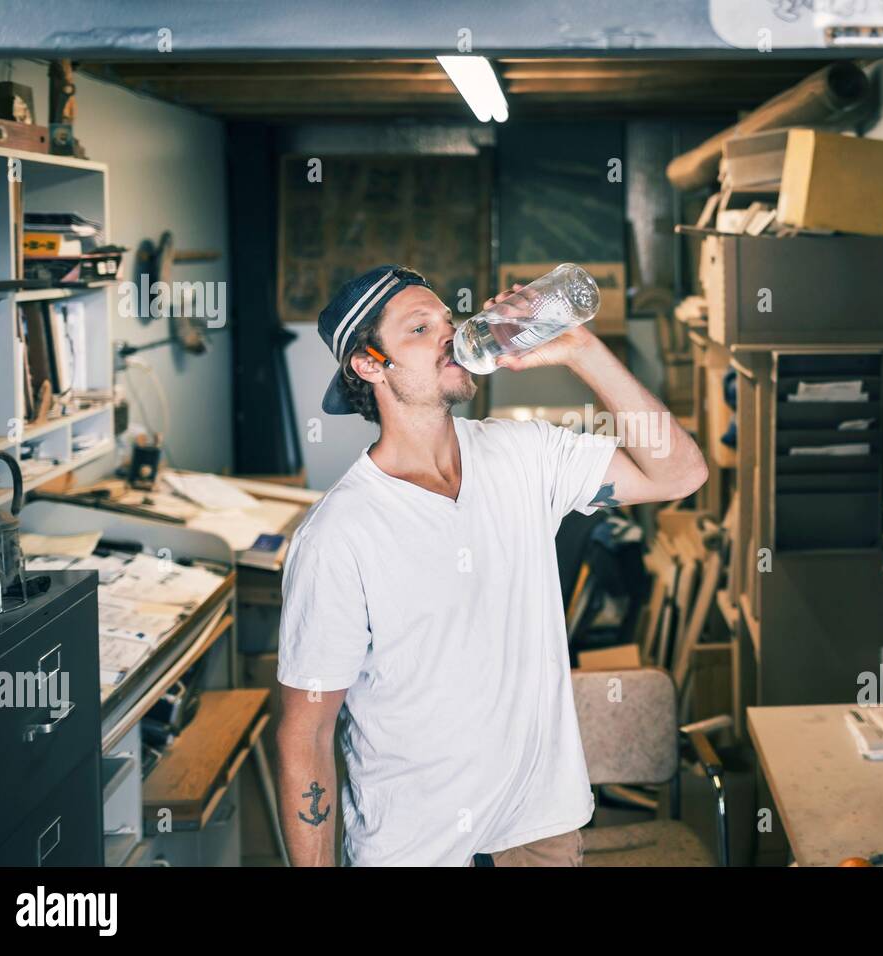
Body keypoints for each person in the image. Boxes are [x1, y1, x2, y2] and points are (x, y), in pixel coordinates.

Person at [275, 265, 707, 866]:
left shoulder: (524, 454)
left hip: (540, 838)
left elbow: (680, 474)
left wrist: (582, 348)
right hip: (416, 852)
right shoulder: (339, 535)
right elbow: (307, 734)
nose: (449, 337)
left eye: (448, 321)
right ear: (370, 365)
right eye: (420, 329)